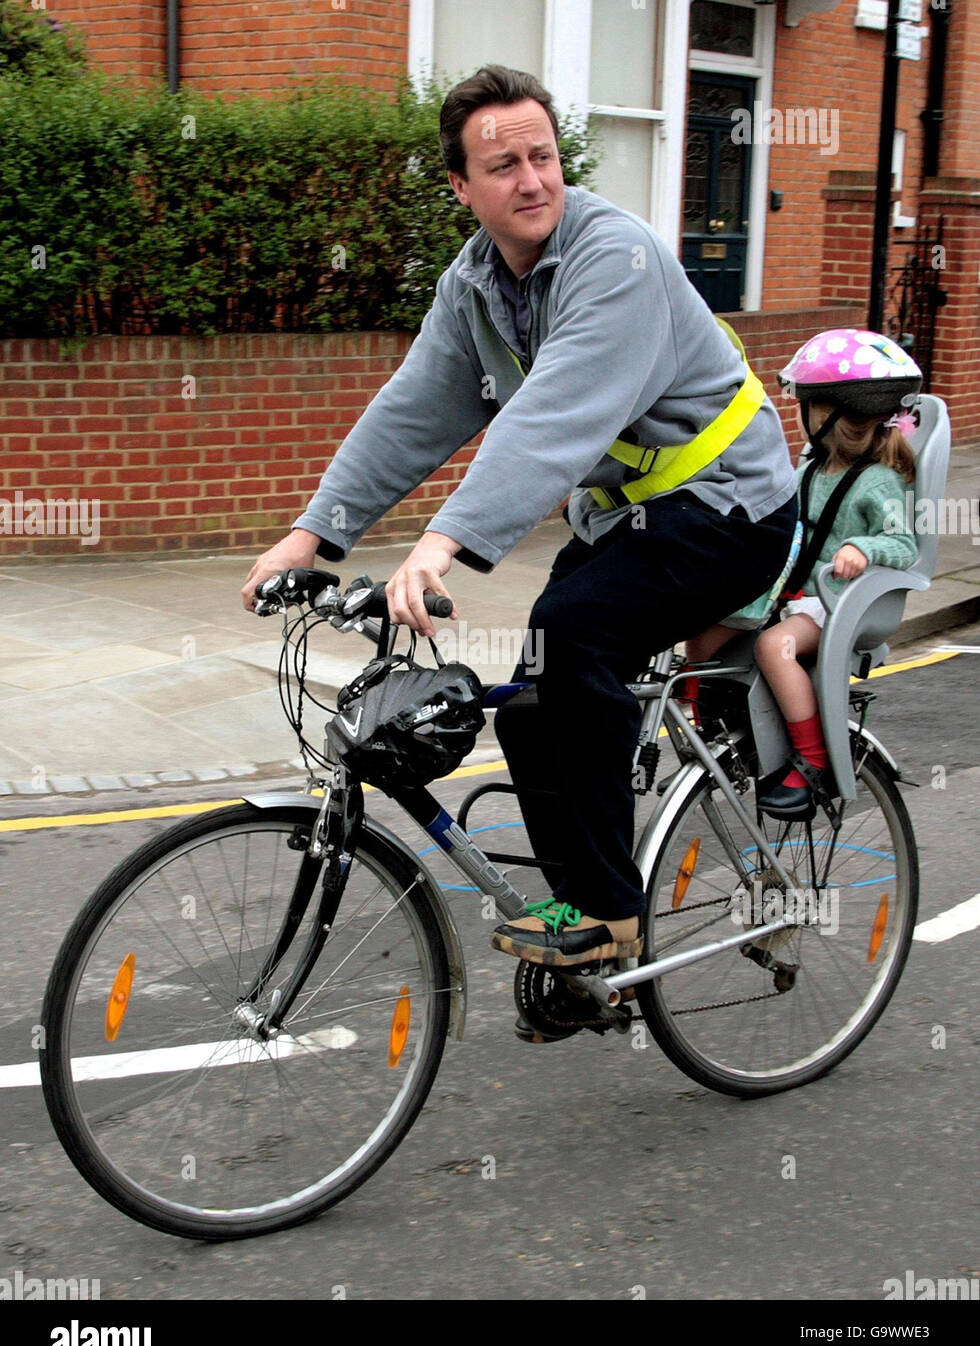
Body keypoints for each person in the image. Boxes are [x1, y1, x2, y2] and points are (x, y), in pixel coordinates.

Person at [241, 64, 798, 969]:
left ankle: (612, 917)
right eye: (503, 166)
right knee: (534, 699)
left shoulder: (615, 259)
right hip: (631, 518)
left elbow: (556, 417)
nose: (532, 178)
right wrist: (312, 535)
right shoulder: (474, 287)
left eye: (543, 156)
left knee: (573, 632)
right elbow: (413, 410)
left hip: (733, 504)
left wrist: (443, 544)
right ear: (462, 187)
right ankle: (574, 907)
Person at [686, 328, 921, 817]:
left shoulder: (877, 482)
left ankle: (811, 757)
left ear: (827, 415)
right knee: (704, 628)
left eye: (806, 405)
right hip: (792, 590)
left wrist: (862, 547)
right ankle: (706, 732)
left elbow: (904, 544)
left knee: (776, 646)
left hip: (834, 600)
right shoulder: (811, 467)